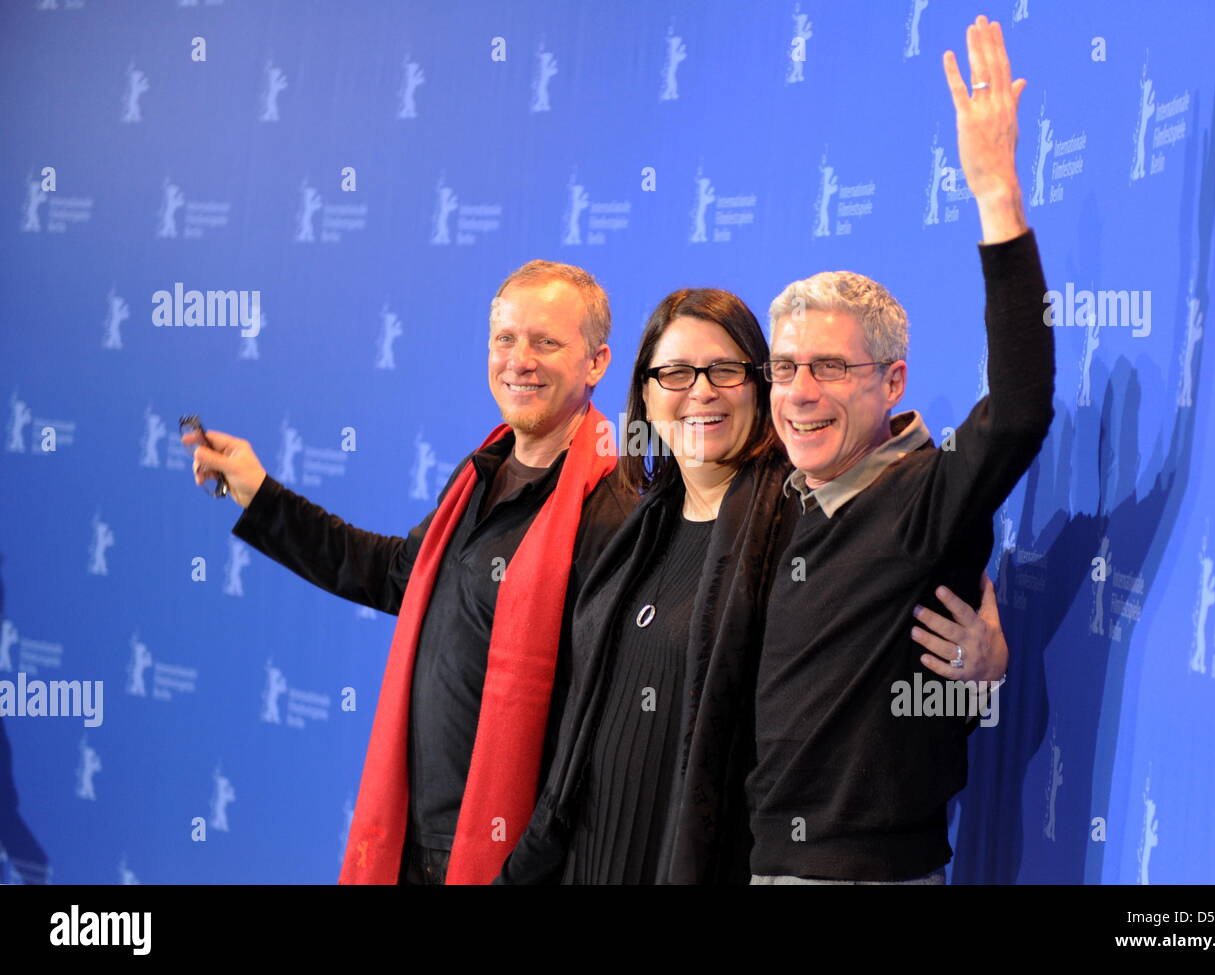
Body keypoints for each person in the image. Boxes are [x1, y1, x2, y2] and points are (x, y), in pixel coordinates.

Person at [498, 288, 1008, 884]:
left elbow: (880, 696)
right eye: (676, 372)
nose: (701, 391)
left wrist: (981, 677)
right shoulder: (633, 527)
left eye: (725, 370)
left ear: (762, 386)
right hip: (590, 861)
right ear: (644, 392)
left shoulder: (806, 522)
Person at [185, 260, 637, 885]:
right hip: (415, 847)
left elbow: (600, 728)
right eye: (505, 339)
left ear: (597, 362)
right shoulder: (480, 472)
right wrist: (264, 498)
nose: (519, 360)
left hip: (514, 864)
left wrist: (528, 863)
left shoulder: (614, 508)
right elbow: (401, 573)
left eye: (546, 341)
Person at [746, 15, 1054, 884]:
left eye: (832, 368)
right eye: (786, 367)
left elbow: (1023, 409)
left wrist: (996, 194)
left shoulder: (929, 495)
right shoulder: (764, 503)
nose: (801, 391)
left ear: (894, 381)